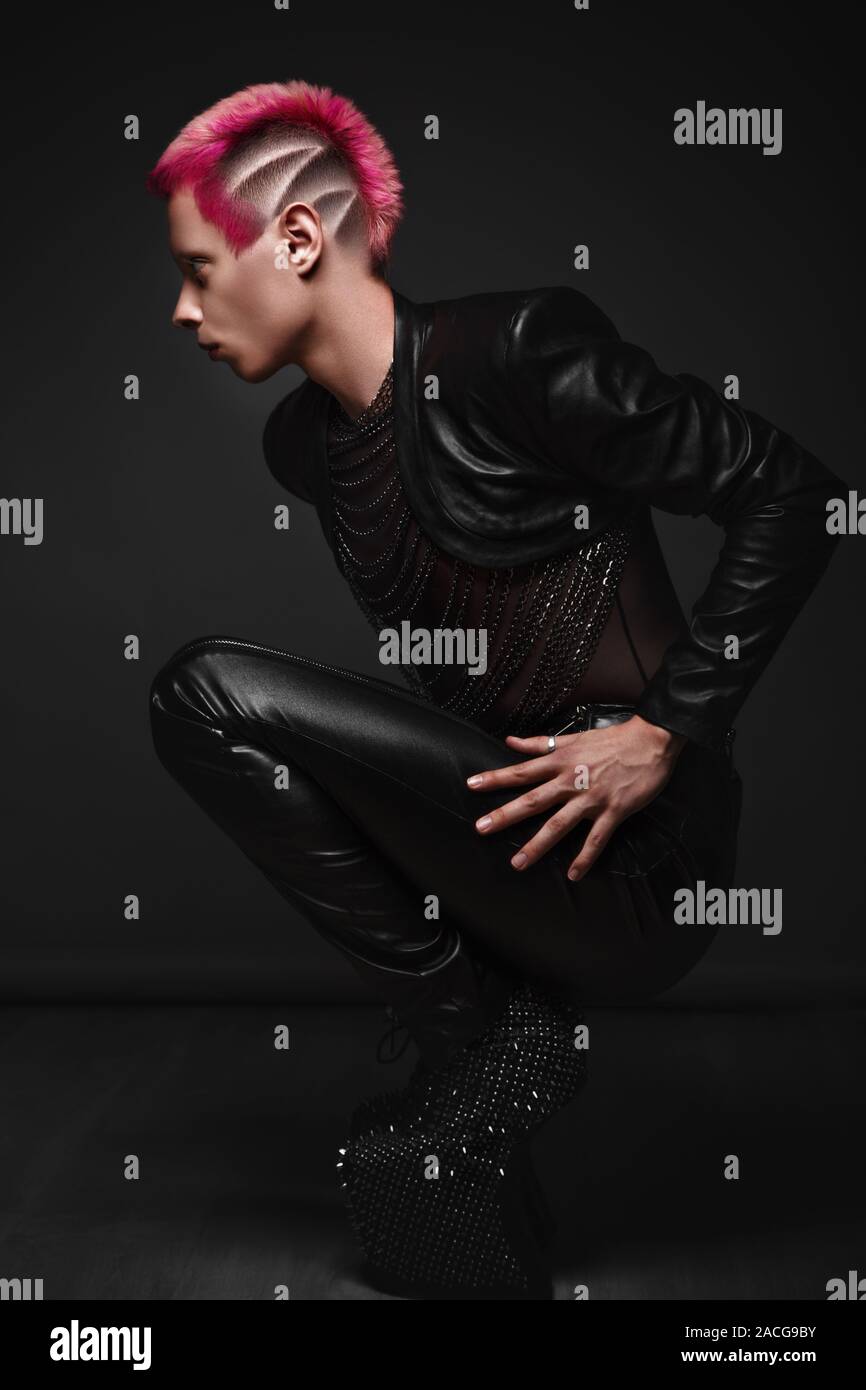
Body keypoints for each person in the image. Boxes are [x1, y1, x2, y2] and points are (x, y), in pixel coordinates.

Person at [144, 79, 844, 1300]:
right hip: (507, 837)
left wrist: (668, 729)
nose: (182, 307)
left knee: (204, 691)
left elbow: (793, 492)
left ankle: (478, 1036)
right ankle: (487, 1038)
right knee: (227, 712)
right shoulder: (303, 448)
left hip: (637, 855)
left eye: (202, 269)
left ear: (298, 240)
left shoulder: (517, 350)